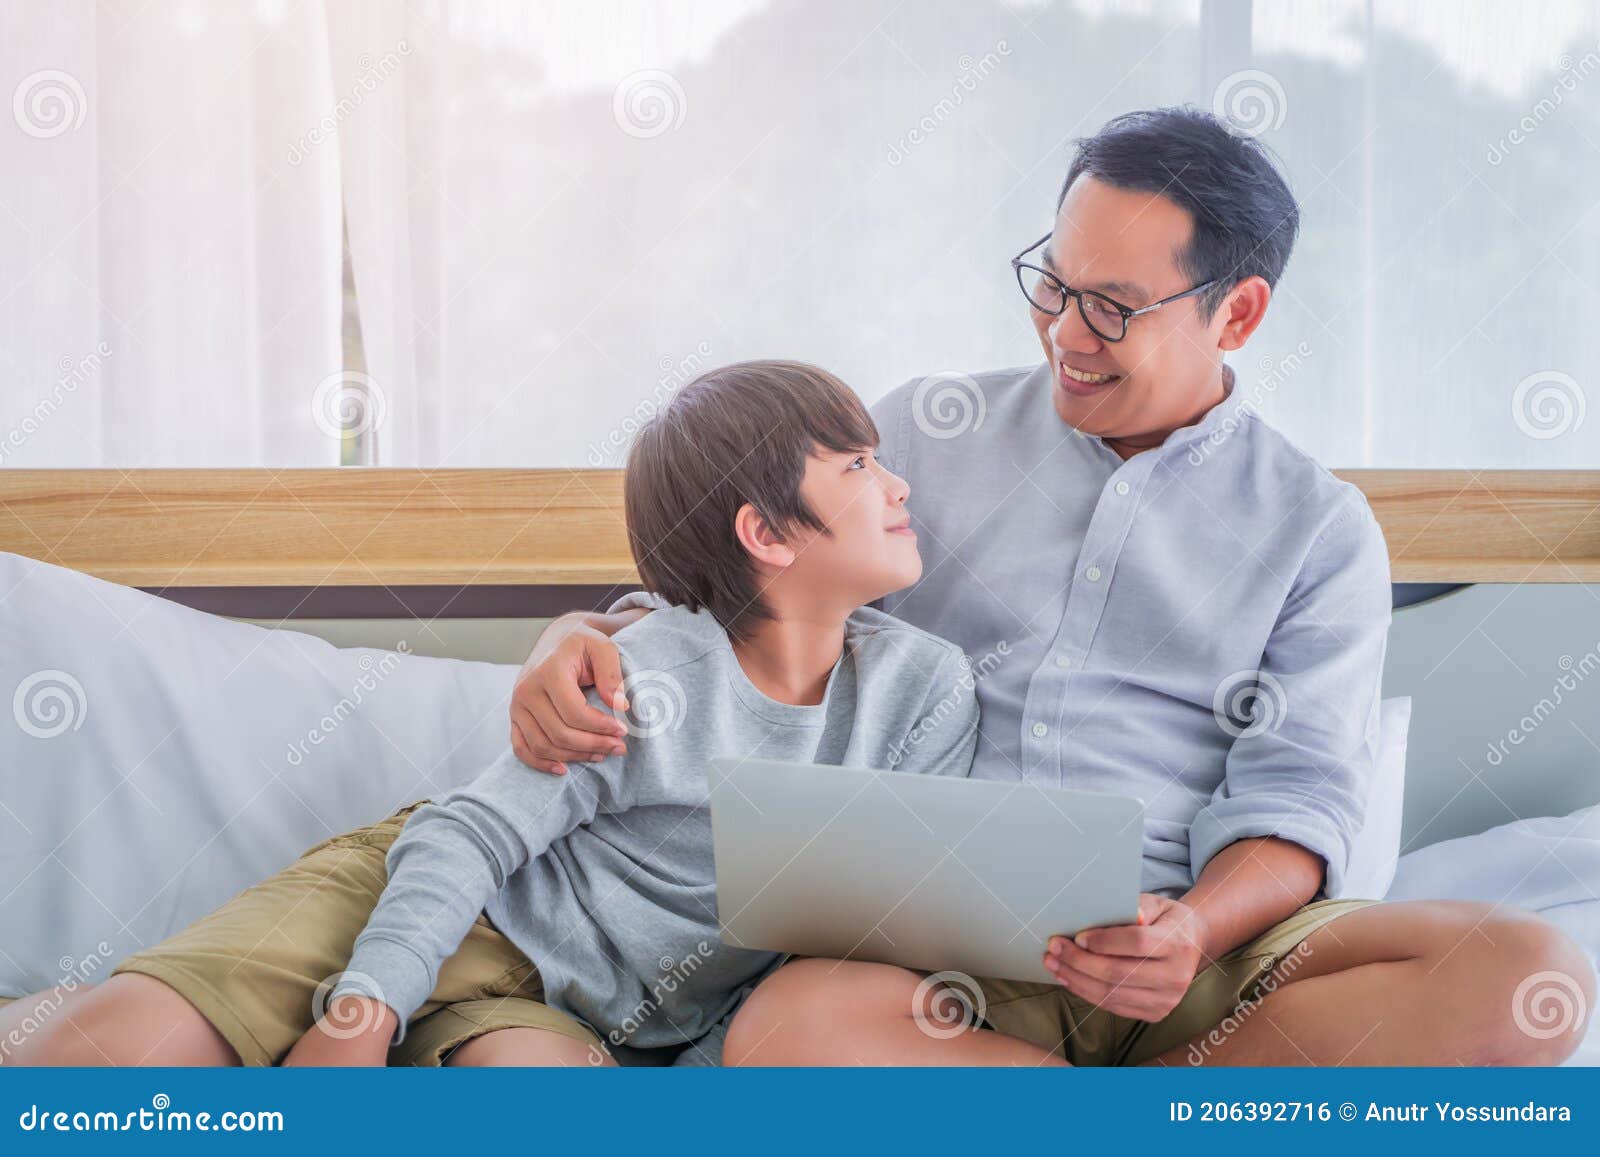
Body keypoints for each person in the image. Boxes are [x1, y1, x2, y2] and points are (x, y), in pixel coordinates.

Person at [506, 108, 1595, 1067]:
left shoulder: (1318, 527)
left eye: (1114, 308)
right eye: (1054, 285)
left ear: (1240, 312)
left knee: (1528, 971)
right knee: (781, 1030)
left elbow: (1299, 803)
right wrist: (582, 631)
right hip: (940, 950)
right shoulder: (926, 434)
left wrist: (1189, 933)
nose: (1065, 334)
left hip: (1202, 954)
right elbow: (754, 612)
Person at [4, 361, 980, 1067]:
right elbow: (466, 834)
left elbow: (851, 940)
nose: (895, 484)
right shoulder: (648, 669)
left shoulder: (925, 694)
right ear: (764, 532)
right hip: (431, 909)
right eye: (854, 466)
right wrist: (360, 1011)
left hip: (570, 1012)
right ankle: (50, 1015)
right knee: (110, 1069)